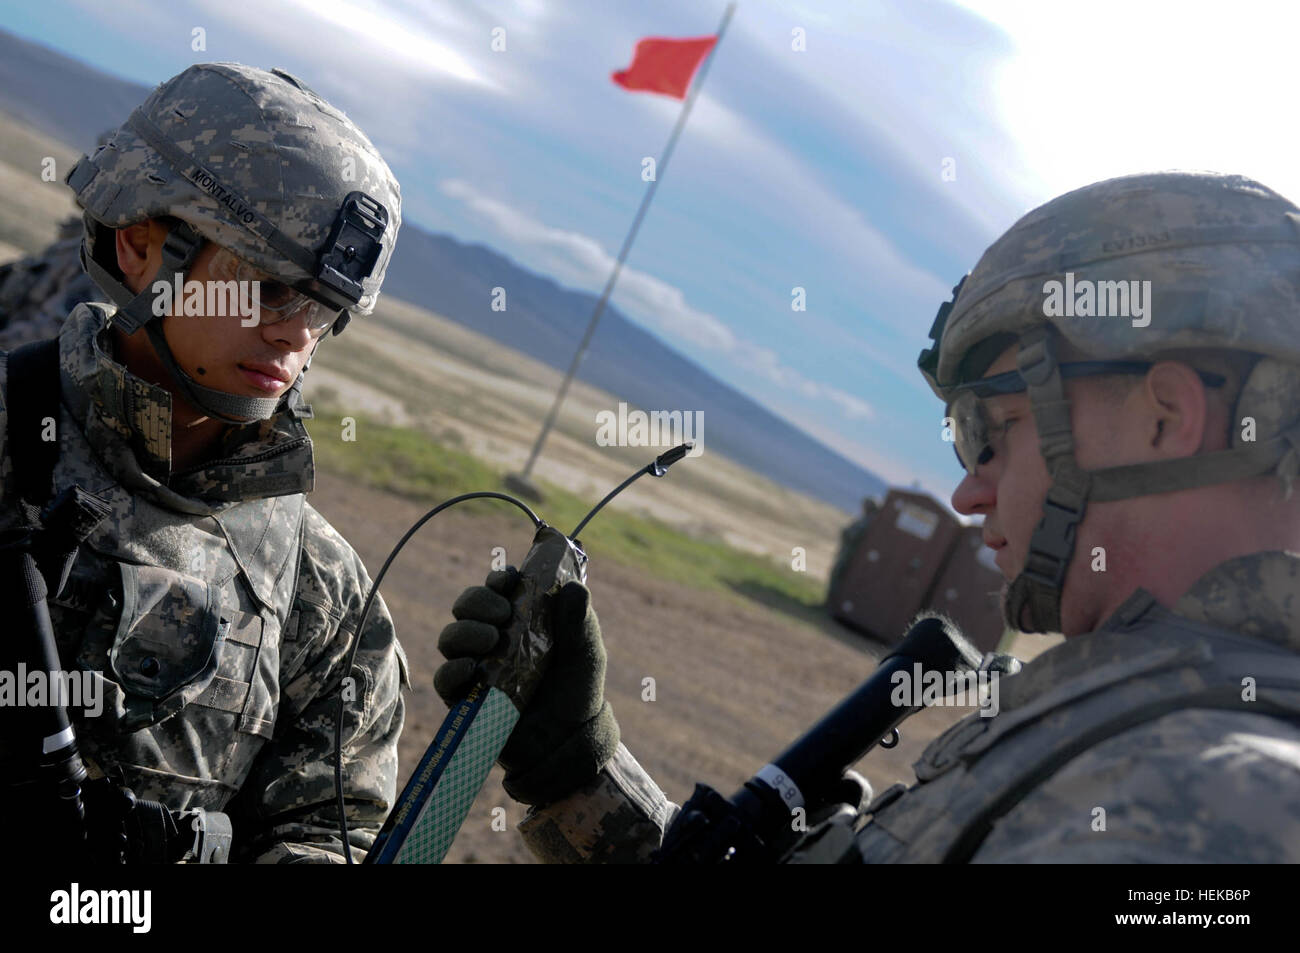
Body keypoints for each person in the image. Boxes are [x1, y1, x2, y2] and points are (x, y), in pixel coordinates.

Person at [437, 170, 1300, 862]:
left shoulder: (1219, 800)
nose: (970, 490)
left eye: (992, 431)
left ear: (1166, 417)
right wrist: (574, 763)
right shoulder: (1134, 726)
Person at [0, 63, 408, 863]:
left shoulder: (322, 594)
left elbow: (331, 830)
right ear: (142, 245)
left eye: (321, 308)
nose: (295, 333)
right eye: (264, 285)